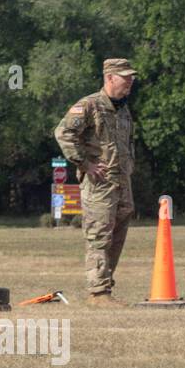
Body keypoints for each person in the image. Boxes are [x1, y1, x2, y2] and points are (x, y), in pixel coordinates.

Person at [53, 58, 139, 305]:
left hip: (121, 182)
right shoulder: (90, 104)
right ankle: (98, 293)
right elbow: (63, 133)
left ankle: (106, 286)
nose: (130, 81)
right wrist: (84, 164)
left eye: (131, 77)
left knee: (118, 234)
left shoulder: (123, 109)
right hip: (99, 184)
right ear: (110, 78)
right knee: (99, 236)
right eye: (125, 77)